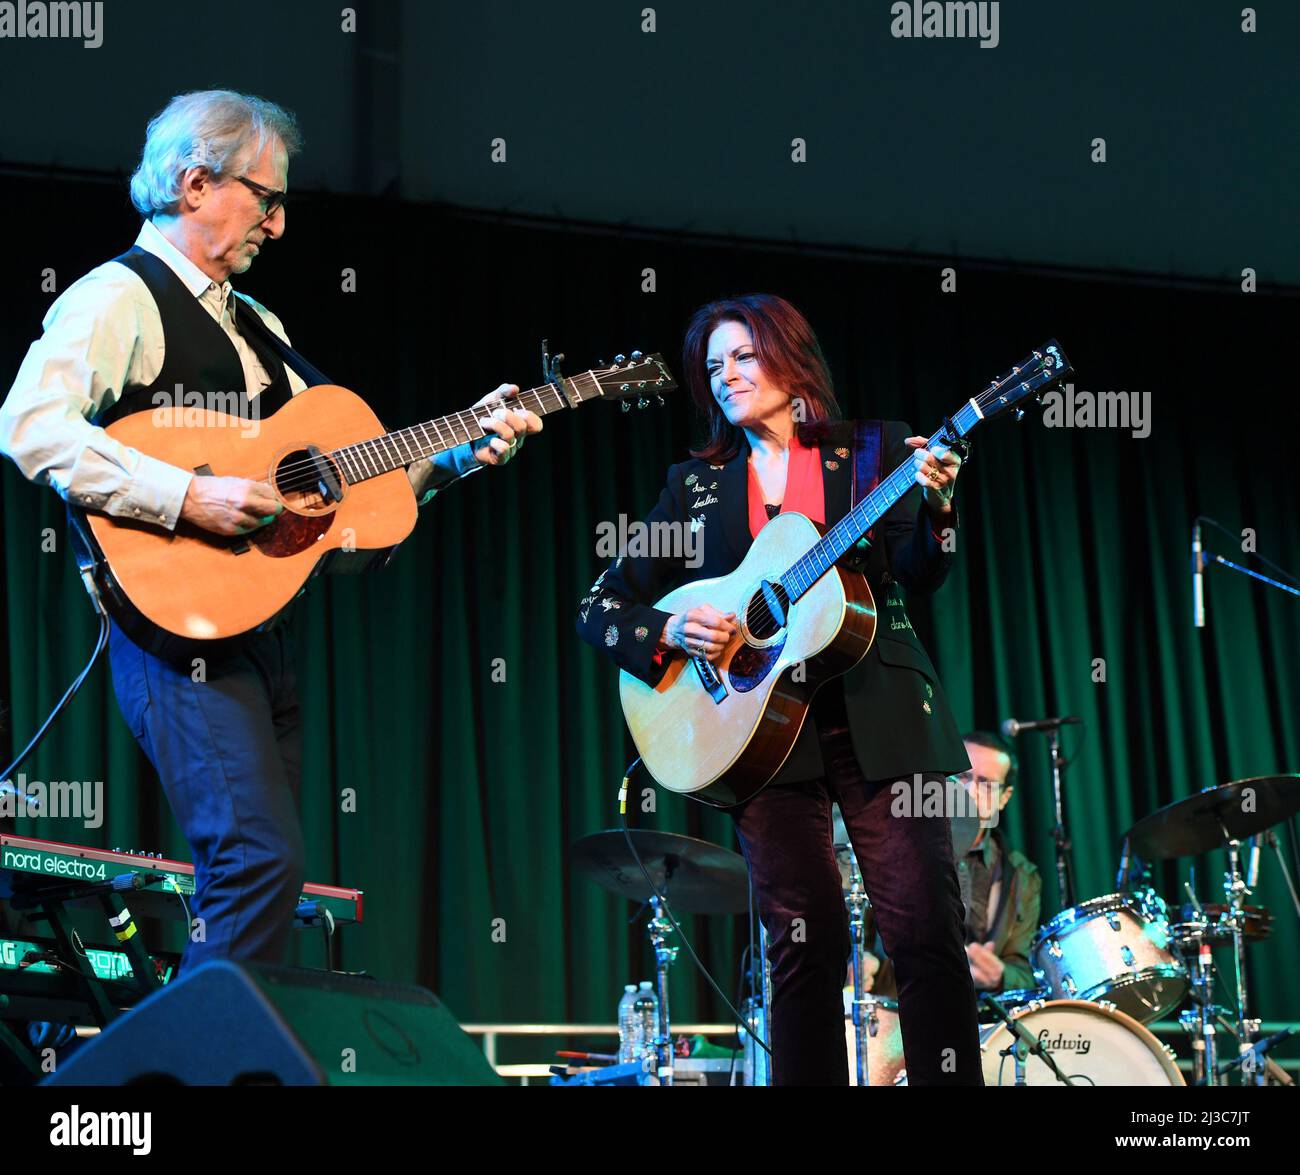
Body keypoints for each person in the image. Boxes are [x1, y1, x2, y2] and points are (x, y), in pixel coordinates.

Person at [0, 90, 541, 970]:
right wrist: (184, 496)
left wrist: (458, 454)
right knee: (257, 862)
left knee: (263, 882)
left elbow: (333, 500)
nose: (280, 225)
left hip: (263, 635)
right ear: (196, 181)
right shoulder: (116, 298)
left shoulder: (264, 330)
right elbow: (31, 425)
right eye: (267, 197)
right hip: (174, 638)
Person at [576, 292, 981, 1084]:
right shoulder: (693, 487)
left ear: (790, 358)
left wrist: (938, 505)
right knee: (803, 945)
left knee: (924, 931)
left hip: (880, 711)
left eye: (743, 356)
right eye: (714, 364)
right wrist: (669, 631)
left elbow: (921, 573)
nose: (725, 375)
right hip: (761, 736)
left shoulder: (874, 451)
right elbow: (600, 607)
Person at [854, 730, 1043, 1002]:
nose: (970, 790)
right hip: (894, 1015)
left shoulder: (1022, 875)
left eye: (986, 783)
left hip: (976, 1022)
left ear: (1005, 797)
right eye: (962, 777)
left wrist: (1001, 976)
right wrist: (859, 962)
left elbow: (1026, 971)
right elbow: (856, 933)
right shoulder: (894, 843)